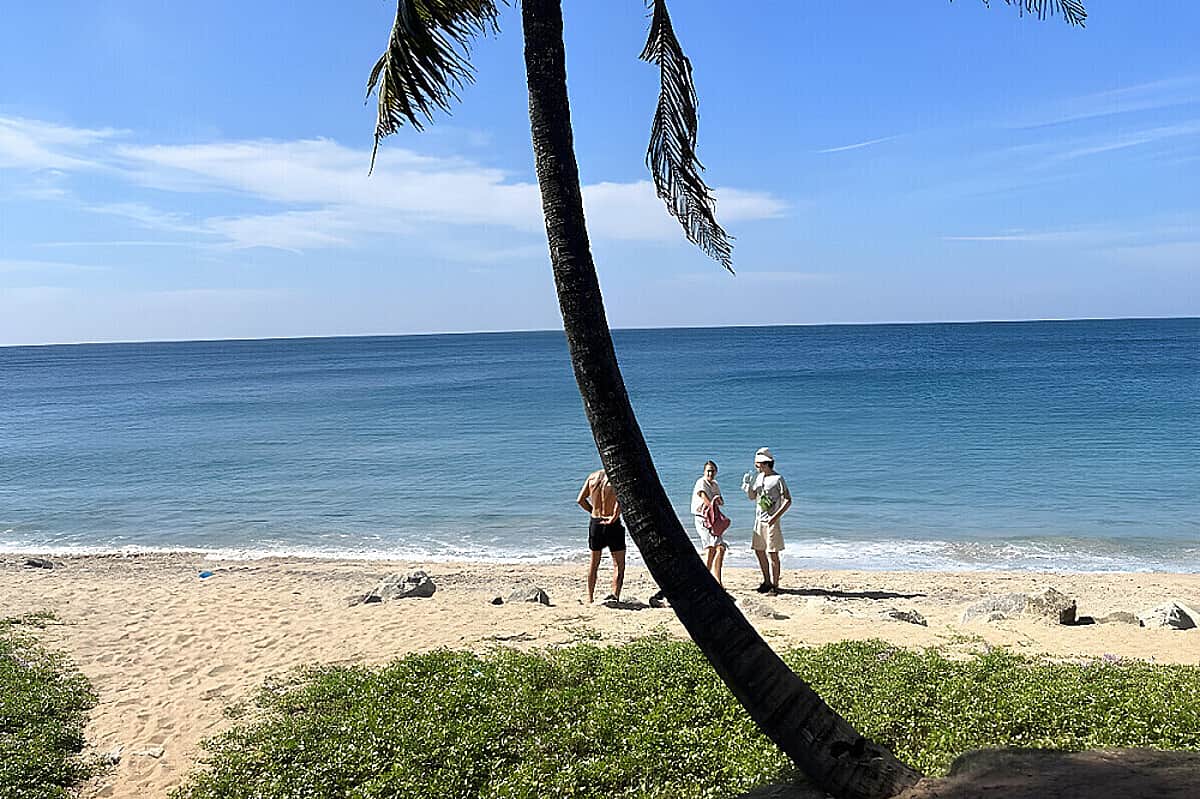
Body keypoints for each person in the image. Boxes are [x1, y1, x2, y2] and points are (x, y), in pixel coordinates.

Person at [742, 447, 791, 594]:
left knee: (772, 553)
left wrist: (775, 517)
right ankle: (767, 581)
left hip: (771, 521)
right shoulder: (759, 477)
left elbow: (788, 500)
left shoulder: (778, 479)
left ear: (766, 463)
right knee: (759, 551)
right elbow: (753, 497)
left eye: (758, 464)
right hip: (759, 520)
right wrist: (747, 486)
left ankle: (775, 585)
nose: (756, 466)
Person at [577, 467, 625, 604]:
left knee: (594, 563)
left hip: (596, 523)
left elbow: (580, 500)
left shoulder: (592, 477)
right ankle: (615, 596)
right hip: (612, 523)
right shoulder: (616, 477)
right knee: (618, 564)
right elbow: (620, 501)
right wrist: (614, 516)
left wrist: (593, 512)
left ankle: (590, 598)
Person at [692, 460, 727, 586]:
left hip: (713, 520)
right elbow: (704, 497)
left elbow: (721, 501)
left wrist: (717, 500)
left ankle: (716, 580)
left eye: (712, 471)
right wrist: (713, 503)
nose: (710, 473)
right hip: (703, 519)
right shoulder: (701, 482)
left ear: (716, 472)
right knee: (710, 548)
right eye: (708, 471)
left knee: (720, 548)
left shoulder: (715, 484)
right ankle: (707, 580)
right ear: (704, 471)